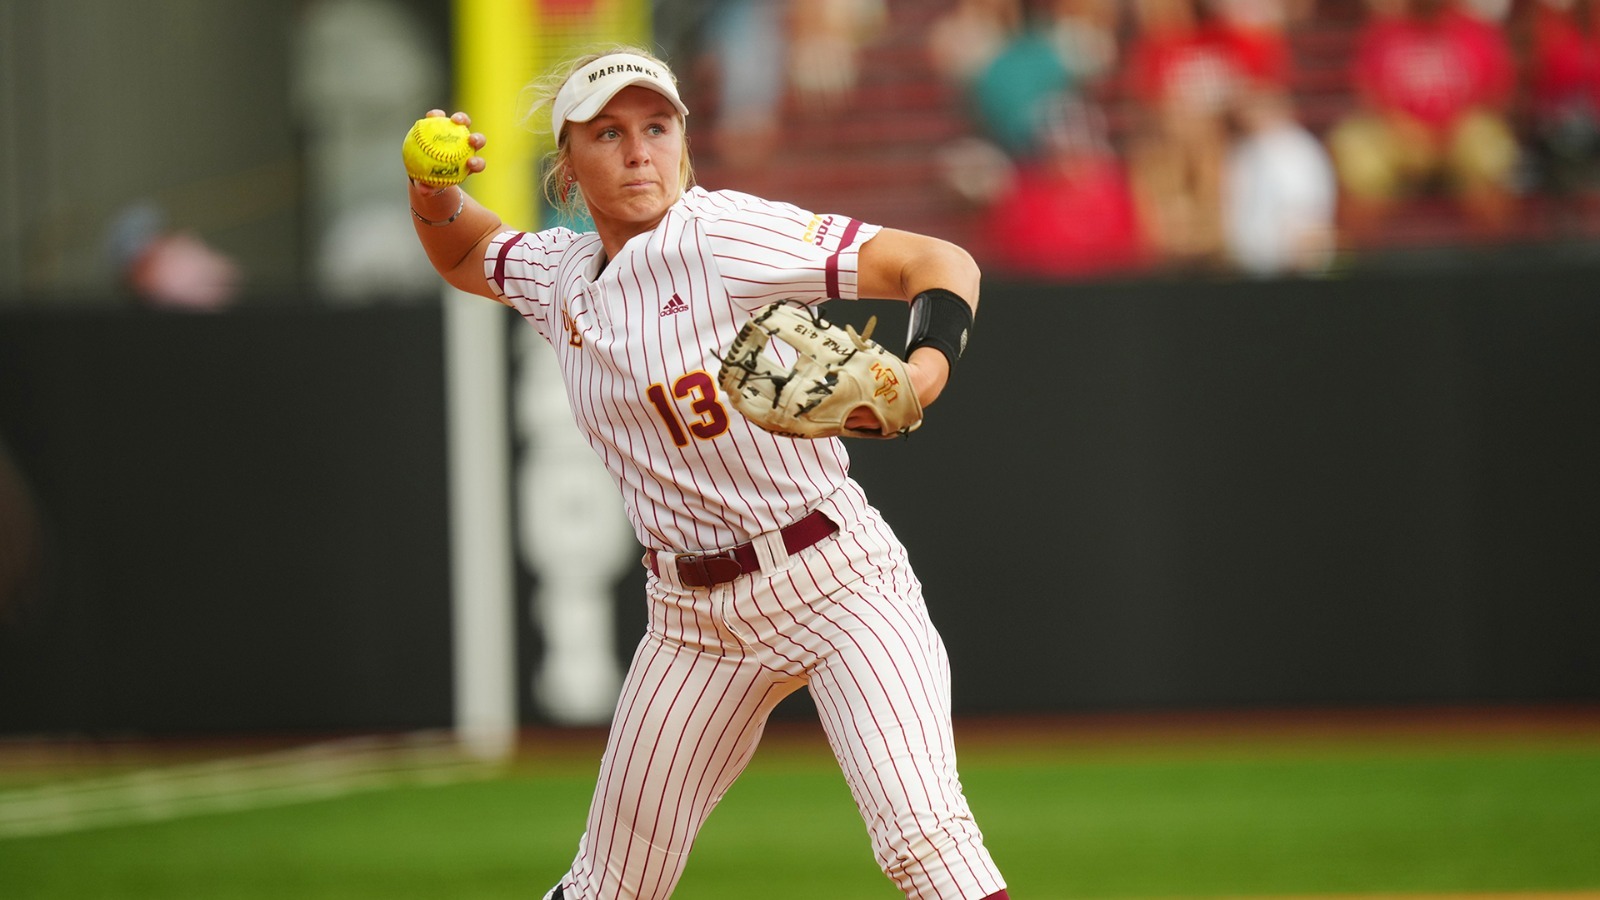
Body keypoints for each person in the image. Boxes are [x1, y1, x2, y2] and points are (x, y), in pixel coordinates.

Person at [405, 47, 1010, 900]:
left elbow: (943, 262)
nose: (638, 150)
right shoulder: (560, 276)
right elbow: (466, 254)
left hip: (837, 581)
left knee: (924, 840)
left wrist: (921, 374)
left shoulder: (723, 235)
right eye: (608, 133)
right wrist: (432, 191)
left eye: (658, 127)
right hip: (692, 623)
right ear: (567, 168)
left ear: (685, 143)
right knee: (612, 882)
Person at [1325, 0, 1520, 243]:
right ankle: (1367, 267)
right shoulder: (1384, 31)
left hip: (1459, 138)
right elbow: (1367, 93)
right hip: (1400, 138)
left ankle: (1493, 262)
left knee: (1488, 146)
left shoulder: (1476, 30)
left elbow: (1498, 94)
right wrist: (1400, 125)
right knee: (1354, 145)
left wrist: (1454, 124)